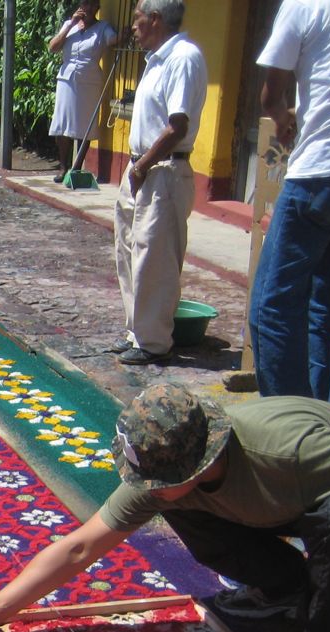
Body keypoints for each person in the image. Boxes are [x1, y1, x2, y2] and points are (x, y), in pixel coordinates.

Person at [0, 382, 330, 632]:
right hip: (279, 507)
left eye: (159, 480)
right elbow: (81, 546)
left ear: (202, 462)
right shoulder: (160, 473)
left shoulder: (291, 452)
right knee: (176, 505)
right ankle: (284, 589)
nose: (147, 485)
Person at [250, 0, 330, 401]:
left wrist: (285, 118)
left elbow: (271, 98)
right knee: (320, 305)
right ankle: (315, 416)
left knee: (271, 309)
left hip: (319, 174)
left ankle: (288, 430)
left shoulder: (304, 5)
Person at [107, 0, 205, 366]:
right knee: (129, 251)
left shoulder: (183, 57)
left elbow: (176, 126)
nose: (133, 27)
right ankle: (136, 330)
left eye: (136, 20)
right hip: (142, 168)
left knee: (155, 257)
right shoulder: (156, 60)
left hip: (162, 170)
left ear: (155, 20)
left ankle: (154, 341)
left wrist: (143, 165)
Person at [47, 1, 117, 182]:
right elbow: (53, 47)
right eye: (85, 4)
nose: (87, 9)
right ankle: (63, 166)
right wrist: (70, 24)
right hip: (66, 79)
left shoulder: (103, 27)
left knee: (85, 123)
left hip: (90, 80)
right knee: (62, 123)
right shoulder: (69, 26)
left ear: (97, 9)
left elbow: (113, 40)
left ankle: (76, 167)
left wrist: (126, 34)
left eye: (92, 5)